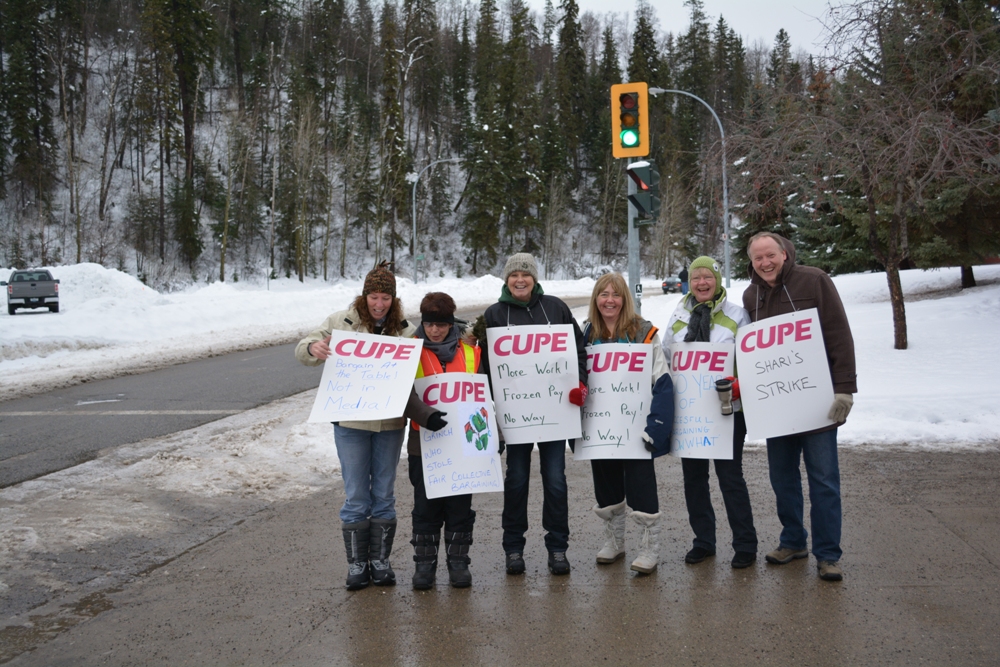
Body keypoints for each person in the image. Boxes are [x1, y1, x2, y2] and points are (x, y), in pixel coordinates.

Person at [295, 261, 446, 591]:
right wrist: (313, 348)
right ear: (364, 296)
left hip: (390, 424)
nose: (379, 304)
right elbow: (303, 348)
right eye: (374, 297)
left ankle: (380, 562)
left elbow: (434, 352)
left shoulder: (404, 330)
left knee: (383, 494)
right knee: (356, 496)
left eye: (386, 298)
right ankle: (357, 563)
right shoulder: (341, 322)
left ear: (394, 300)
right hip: (350, 422)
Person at [742, 232, 857, 582]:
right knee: (783, 478)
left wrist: (845, 389)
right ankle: (793, 540)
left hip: (817, 402)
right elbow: (753, 356)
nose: (765, 263)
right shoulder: (752, 295)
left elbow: (839, 334)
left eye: (770, 255)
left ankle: (828, 554)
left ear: (784, 254)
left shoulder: (814, 280)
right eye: (758, 258)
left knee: (823, 480)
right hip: (778, 406)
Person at [480, 253, 588, 576]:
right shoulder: (494, 314)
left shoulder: (555, 308)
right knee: (516, 481)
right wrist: (488, 406)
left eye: (525, 274)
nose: (520, 280)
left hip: (554, 412)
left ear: (535, 278)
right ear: (506, 279)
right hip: (516, 415)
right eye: (514, 275)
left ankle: (557, 547)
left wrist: (580, 382)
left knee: (555, 480)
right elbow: (484, 364)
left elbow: (578, 349)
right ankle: (513, 547)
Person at [666, 256, 758, 569]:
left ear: (717, 281)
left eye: (708, 277)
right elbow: (667, 357)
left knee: (730, 478)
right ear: (689, 282)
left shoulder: (736, 315)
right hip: (690, 412)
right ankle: (703, 541)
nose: (702, 283)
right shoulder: (679, 315)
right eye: (696, 278)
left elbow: (750, 360)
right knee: (694, 479)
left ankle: (745, 544)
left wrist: (739, 384)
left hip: (727, 409)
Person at [584, 273, 671, 574]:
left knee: (641, 484)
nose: (609, 300)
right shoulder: (586, 334)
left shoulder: (644, 333)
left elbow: (661, 380)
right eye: (603, 294)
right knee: (605, 484)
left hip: (636, 426)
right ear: (596, 299)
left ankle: (649, 548)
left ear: (625, 299)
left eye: (616, 294)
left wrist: (657, 424)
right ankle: (614, 541)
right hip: (599, 427)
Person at [407, 292, 483, 590]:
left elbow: (484, 397)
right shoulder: (410, 351)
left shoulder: (470, 353)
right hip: (423, 441)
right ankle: (425, 565)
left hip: (463, 443)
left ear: (451, 324)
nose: (435, 331)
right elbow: (401, 393)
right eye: (429, 324)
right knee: (425, 506)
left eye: (441, 324)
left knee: (459, 507)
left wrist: (493, 437)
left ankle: (458, 563)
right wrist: (425, 416)